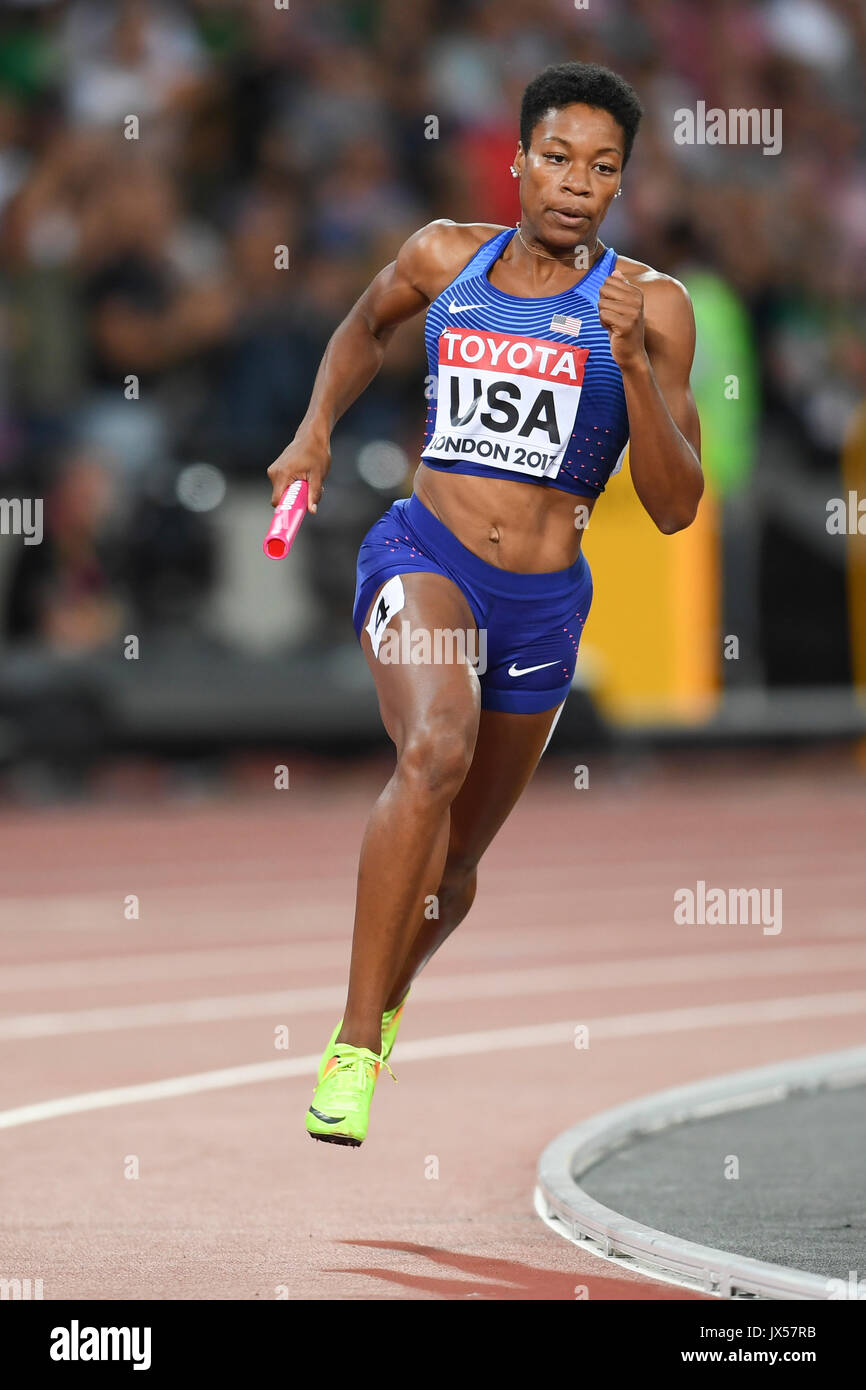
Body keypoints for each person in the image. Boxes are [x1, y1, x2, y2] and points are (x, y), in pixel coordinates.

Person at [267, 62, 703, 1146]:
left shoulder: (650, 305)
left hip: (543, 601)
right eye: (555, 158)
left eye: (600, 169)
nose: (573, 184)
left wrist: (632, 371)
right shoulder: (442, 255)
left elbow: (673, 504)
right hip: (426, 554)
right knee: (433, 748)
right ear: (515, 160)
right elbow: (366, 328)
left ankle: (386, 997)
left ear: (619, 185)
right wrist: (316, 428)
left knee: (454, 875)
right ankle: (354, 1043)